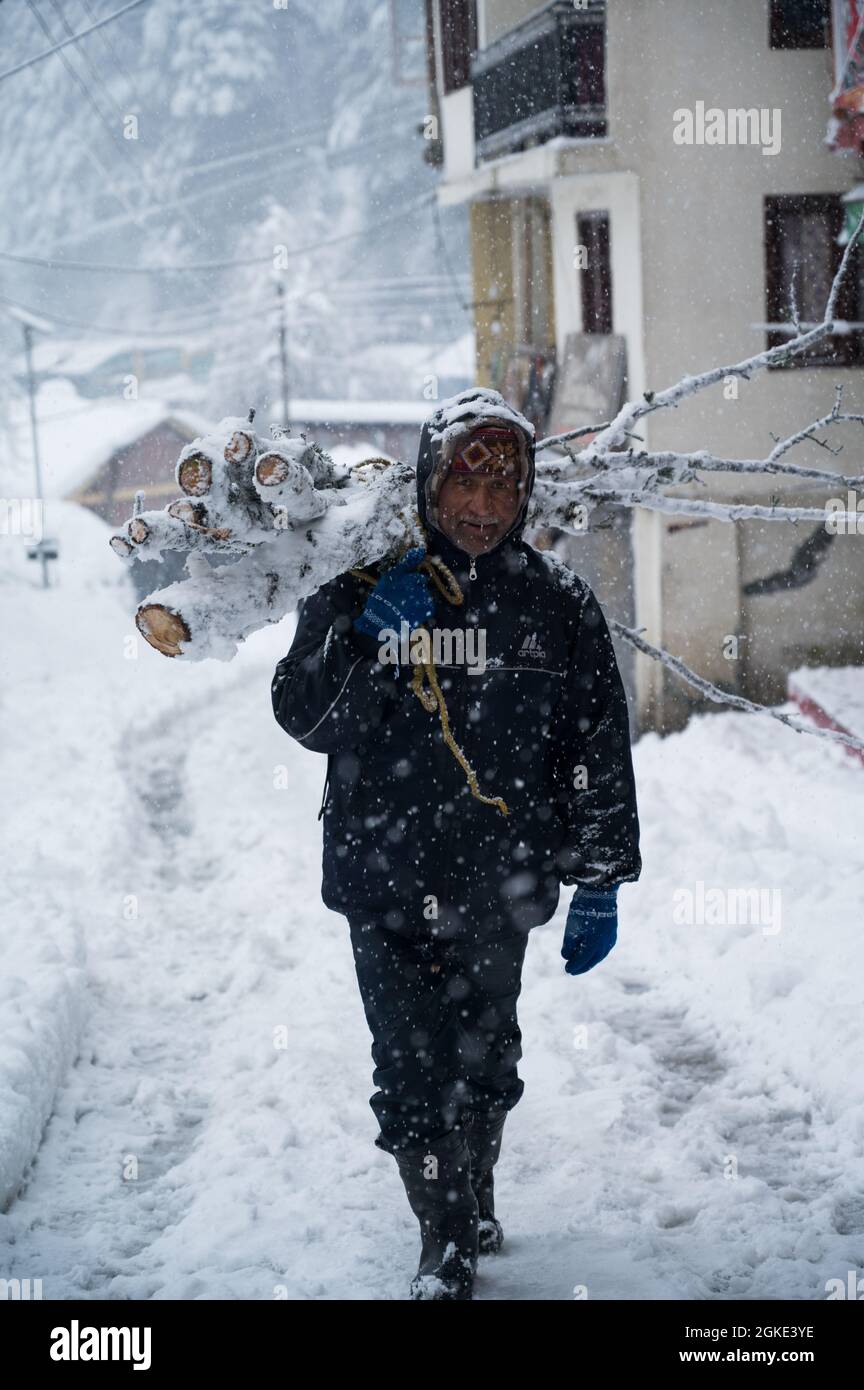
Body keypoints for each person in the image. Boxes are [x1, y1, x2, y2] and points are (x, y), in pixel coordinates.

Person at [271, 386, 641, 1300]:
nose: (481, 509)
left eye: (502, 490)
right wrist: (365, 643)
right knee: (408, 1065)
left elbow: (594, 745)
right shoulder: (360, 587)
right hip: (383, 880)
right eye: (462, 490)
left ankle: (472, 1194)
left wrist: (600, 876)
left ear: (525, 497)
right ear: (428, 490)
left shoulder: (557, 605)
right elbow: (306, 718)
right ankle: (443, 1243)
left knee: (486, 1058)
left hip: (499, 882)